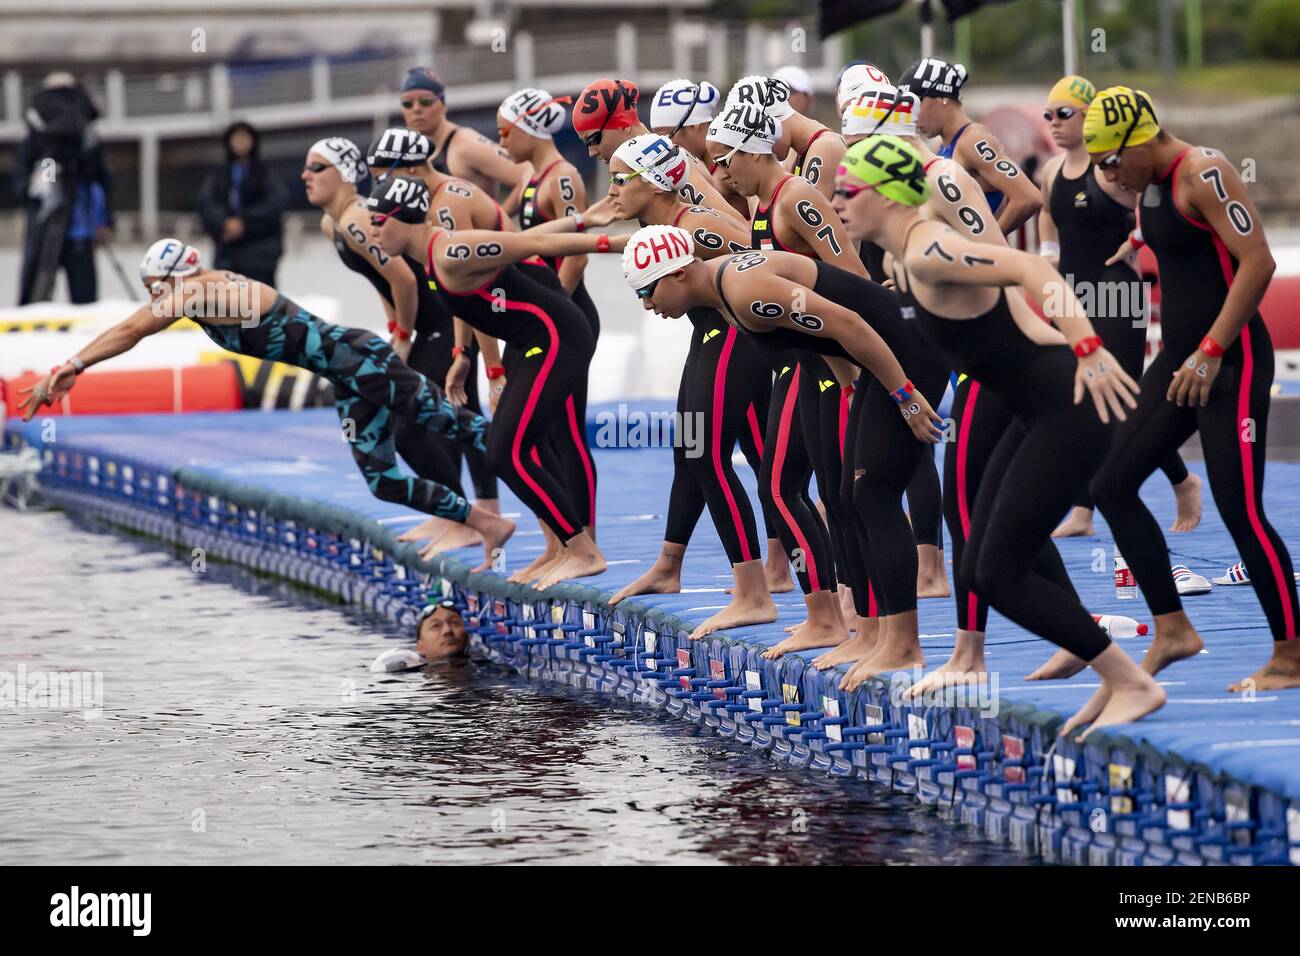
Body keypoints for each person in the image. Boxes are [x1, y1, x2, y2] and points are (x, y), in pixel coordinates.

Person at [837, 133, 1165, 737]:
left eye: (846, 191)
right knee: (982, 552)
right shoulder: (896, 261)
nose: (836, 203)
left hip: (1068, 408)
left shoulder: (931, 249)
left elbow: (1032, 266)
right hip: (1031, 410)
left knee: (999, 572)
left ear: (885, 195)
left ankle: (1131, 682)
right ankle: (1108, 677)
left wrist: (1087, 347)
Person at [17, 239, 514, 570]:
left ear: (170, 280)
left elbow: (133, 329)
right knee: (384, 481)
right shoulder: (204, 298)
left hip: (364, 361)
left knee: (454, 425)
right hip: (345, 379)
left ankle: (539, 469)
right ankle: (488, 523)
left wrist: (74, 365)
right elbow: (138, 325)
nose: (152, 301)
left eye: (153, 291)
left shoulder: (205, 290)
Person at [1082, 87, 1300, 693]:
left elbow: (1257, 262)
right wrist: (1139, 240)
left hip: (1229, 361)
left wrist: (1210, 353)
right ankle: (1173, 627)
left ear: (1142, 139)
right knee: (1111, 483)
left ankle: (1291, 653)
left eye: (1110, 160)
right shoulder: (1146, 183)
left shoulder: (1204, 170)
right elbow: (1189, 247)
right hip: (1179, 361)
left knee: (1241, 510)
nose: (1109, 173)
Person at [553, 134, 785, 637]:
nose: (610, 189)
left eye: (619, 179)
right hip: (712, 333)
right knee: (690, 450)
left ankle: (755, 594)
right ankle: (669, 566)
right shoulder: (668, 225)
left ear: (655, 182)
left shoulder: (696, 227)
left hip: (736, 336)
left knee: (709, 456)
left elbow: (771, 261)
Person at [366, 175, 622, 589]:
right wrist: (461, 357)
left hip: (559, 339)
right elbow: (497, 267)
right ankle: (561, 547)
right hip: (533, 343)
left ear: (406, 218)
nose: (373, 230)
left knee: (506, 451)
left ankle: (583, 551)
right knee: (520, 445)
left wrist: (612, 241)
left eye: (379, 220)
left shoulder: (451, 250)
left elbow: (533, 246)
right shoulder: (434, 254)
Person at [706, 99, 891, 659]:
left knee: (815, 488)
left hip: (837, 363)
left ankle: (853, 620)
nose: (720, 172)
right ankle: (845, 615)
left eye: (724, 160)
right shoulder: (764, 206)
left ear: (749, 151)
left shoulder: (798, 199)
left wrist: (865, 372)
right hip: (808, 362)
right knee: (821, 491)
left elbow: (856, 280)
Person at [304, 136, 496, 559]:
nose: (306, 176)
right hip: (423, 322)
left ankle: (471, 515)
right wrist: (395, 327)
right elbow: (385, 280)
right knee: (430, 419)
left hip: (445, 319)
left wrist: (403, 339)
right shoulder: (331, 224)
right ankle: (455, 513)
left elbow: (405, 280)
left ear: (343, 172)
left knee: (442, 416)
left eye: (316, 167)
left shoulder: (356, 219)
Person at [1036, 76, 1203, 539]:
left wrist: (1140, 238)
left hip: (1119, 294)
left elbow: (1159, 198)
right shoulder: (1052, 171)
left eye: (1064, 113)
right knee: (1082, 398)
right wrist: (1048, 251)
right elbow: (1047, 211)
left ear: (1090, 116)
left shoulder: (1111, 168)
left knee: (1117, 400)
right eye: (1048, 115)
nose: (1054, 123)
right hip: (1071, 294)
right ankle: (1084, 510)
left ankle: (1182, 480)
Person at [365, 128, 506, 550]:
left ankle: (476, 517)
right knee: (457, 414)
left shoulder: (445, 204)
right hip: (462, 320)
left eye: (382, 178)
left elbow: (474, 288)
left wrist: (487, 364)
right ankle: (472, 515)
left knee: (428, 420)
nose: (378, 190)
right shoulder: (428, 201)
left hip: (477, 321)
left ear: (407, 169)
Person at [898, 58, 1040, 234]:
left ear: (943, 97)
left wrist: (988, 243)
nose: (911, 115)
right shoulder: (938, 146)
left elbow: (1028, 198)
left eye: (915, 104)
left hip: (970, 258)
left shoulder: (972, 140)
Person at [572, 77, 743, 221]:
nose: (591, 151)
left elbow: (735, 227)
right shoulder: (641, 159)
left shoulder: (663, 158)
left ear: (623, 126)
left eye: (593, 140)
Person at [16, 73, 113, 305]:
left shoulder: (42, 135)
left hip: (59, 220)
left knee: (42, 287)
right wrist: (105, 221)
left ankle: (33, 311)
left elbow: (24, 183)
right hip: (72, 222)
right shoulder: (84, 135)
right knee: (81, 294)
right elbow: (101, 179)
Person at [397, 67, 531, 214]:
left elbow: (529, 174)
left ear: (443, 104)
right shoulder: (407, 153)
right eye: (407, 103)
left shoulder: (465, 143)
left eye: (426, 101)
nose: (416, 109)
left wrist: (499, 224)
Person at [197, 120, 286, 286]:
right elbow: (206, 203)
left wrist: (244, 222)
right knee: (228, 307)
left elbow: (275, 203)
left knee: (260, 305)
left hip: (261, 257)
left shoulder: (265, 173)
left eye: (245, 137)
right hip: (228, 256)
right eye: (236, 138)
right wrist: (224, 223)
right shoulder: (219, 175)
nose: (240, 142)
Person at [649, 78, 748, 219]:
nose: (664, 146)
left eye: (666, 135)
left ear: (694, 126)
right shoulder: (700, 170)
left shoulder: (731, 167)